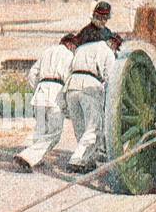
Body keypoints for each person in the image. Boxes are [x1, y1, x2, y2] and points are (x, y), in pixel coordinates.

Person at [16, 34, 77, 170]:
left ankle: (36, 159)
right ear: (70, 44)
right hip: (56, 92)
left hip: (40, 91)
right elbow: (69, 79)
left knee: (40, 129)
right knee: (54, 133)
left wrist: (37, 87)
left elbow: (32, 73)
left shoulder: (47, 52)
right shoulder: (69, 56)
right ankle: (27, 156)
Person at [64, 30, 117, 171]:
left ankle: (87, 160)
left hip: (72, 86)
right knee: (93, 128)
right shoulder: (107, 51)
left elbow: (68, 68)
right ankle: (77, 160)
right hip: (90, 86)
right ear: (110, 41)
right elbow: (110, 77)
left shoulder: (81, 49)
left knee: (80, 127)